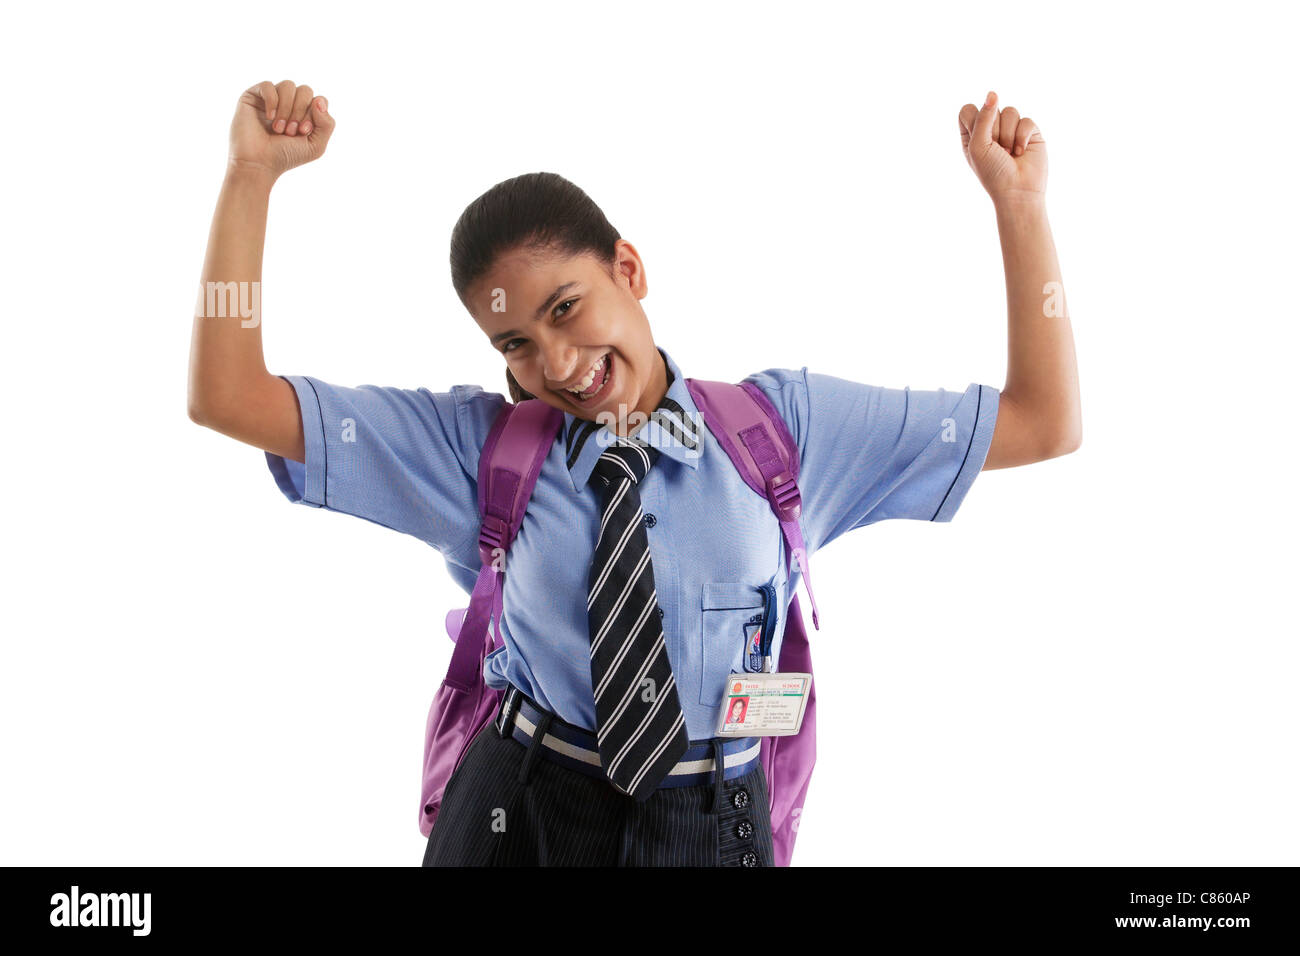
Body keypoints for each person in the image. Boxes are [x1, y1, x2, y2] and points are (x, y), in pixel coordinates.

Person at [188, 80, 1081, 867]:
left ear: (629, 267)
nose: (560, 361)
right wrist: (248, 177)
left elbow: (1043, 422)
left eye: (566, 308)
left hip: (711, 820)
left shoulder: (789, 432)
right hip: (518, 808)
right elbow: (228, 396)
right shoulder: (479, 449)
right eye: (517, 344)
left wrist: (1021, 209)